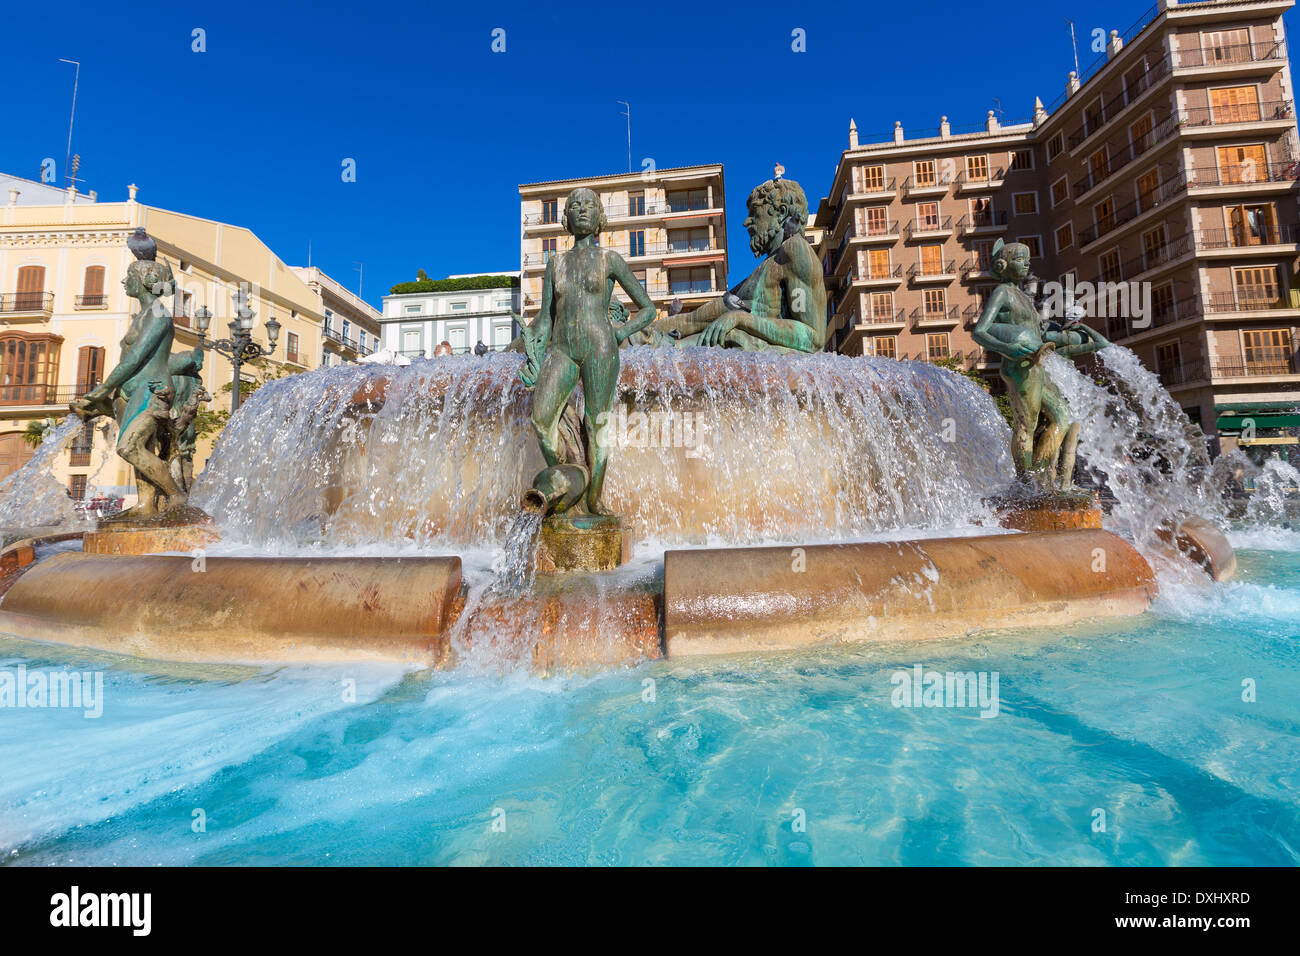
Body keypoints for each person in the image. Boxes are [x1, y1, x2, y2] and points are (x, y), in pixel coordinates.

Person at [521, 187, 656, 514]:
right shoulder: (556, 264)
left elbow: (649, 309)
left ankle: (593, 498)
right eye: (575, 205)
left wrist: (621, 332)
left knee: (597, 424)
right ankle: (568, 470)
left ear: (600, 219)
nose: (582, 209)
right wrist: (532, 348)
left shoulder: (610, 260)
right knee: (541, 419)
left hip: (600, 347)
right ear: (565, 218)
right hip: (562, 348)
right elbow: (545, 319)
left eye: (590, 205)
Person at [971, 239, 1109, 490]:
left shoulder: (1022, 296)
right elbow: (980, 331)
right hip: (1020, 365)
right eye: (1020, 260)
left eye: (1027, 260)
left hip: (1037, 363)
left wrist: (1066, 340)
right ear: (1003, 265)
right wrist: (1008, 348)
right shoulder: (1002, 293)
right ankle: (1025, 483)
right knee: (1027, 424)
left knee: (1062, 417)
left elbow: (1040, 333)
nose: (1026, 264)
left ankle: (1042, 477)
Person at [639, 177, 826, 352]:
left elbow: (812, 336)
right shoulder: (768, 265)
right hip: (705, 341)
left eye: (755, 213)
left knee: (657, 349)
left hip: (735, 349)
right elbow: (692, 320)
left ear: (782, 213)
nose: (747, 222)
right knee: (640, 340)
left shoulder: (796, 250)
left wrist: (740, 318)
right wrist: (639, 329)